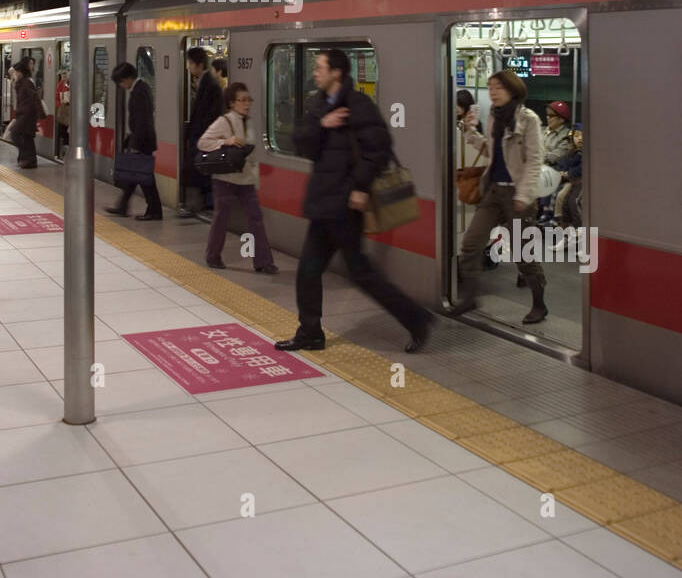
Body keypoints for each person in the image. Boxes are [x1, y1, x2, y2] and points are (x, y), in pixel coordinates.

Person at [275, 48, 432, 355]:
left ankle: (417, 319)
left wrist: (360, 187)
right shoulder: (318, 105)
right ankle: (310, 332)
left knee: (359, 272)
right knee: (309, 270)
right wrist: (323, 125)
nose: (316, 73)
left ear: (336, 72)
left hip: (345, 205)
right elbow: (301, 142)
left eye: (320, 68)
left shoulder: (359, 105)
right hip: (324, 202)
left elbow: (379, 148)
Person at [450, 68, 547, 324]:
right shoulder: (494, 116)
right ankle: (469, 297)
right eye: (490, 87)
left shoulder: (529, 120)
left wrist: (524, 195)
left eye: (498, 88)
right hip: (493, 191)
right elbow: (490, 150)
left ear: (513, 90)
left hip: (518, 194)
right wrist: (470, 131)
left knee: (523, 254)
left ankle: (539, 304)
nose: (492, 93)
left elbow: (535, 161)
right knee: (471, 244)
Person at [197, 82, 278, 273]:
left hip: (246, 179)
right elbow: (202, 142)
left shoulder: (249, 122)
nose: (246, 104)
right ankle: (213, 256)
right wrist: (226, 141)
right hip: (225, 179)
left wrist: (256, 179)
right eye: (241, 100)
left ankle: (263, 262)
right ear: (232, 103)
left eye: (248, 100)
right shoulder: (224, 121)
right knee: (221, 218)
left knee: (256, 218)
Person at [107, 62, 162, 220]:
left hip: (143, 141)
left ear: (127, 78)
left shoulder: (139, 91)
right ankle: (122, 206)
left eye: (121, 82)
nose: (122, 86)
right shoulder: (141, 88)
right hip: (141, 139)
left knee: (145, 178)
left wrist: (135, 143)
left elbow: (142, 120)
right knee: (135, 176)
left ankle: (155, 211)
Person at [179, 47, 224, 218]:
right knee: (199, 171)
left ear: (199, 64)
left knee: (199, 170)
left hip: (204, 137)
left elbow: (208, 114)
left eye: (190, 63)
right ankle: (201, 204)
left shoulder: (210, 84)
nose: (188, 67)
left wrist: (198, 136)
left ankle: (200, 205)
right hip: (202, 136)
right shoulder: (206, 82)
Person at [10, 57, 43, 168]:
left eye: (17, 72)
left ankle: (28, 159)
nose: (15, 74)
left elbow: (35, 98)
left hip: (27, 115)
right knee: (26, 137)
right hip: (23, 114)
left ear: (21, 72)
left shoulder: (27, 83)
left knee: (16, 134)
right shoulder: (21, 83)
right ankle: (28, 160)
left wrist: (40, 113)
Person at [555, 124, 583, 229]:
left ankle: (578, 228)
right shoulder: (572, 152)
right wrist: (561, 171)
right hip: (571, 181)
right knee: (564, 199)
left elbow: (582, 168)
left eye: (582, 135)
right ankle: (564, 225)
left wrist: (568, 173)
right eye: (576, 135)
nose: (579, 138)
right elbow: (563, 163)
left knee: (573, 200)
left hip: (579, 181)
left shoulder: (586, 153)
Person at [55, 70, 71, 160]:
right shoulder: (61, 84)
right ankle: (64, 152)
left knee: (69, 134)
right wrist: (60, 106)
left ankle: (67, 152)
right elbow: (57, 97)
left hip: (72, 114)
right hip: (63, 113)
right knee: (63, 132)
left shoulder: (76, 84)